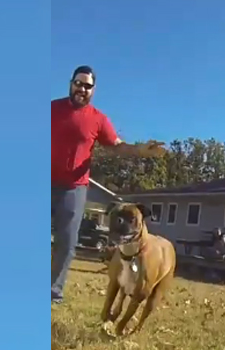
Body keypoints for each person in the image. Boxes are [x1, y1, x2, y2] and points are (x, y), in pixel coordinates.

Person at [51, 65, 166, 304]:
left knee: (67, 242)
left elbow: (117, 146)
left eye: (87, 85)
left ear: (94, 90)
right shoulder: (52, 108)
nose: (81, 89)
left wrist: (140, 150)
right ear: (71, 83)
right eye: (78, 83)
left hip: (74, 187)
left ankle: (53, 292)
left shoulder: (98, 119)